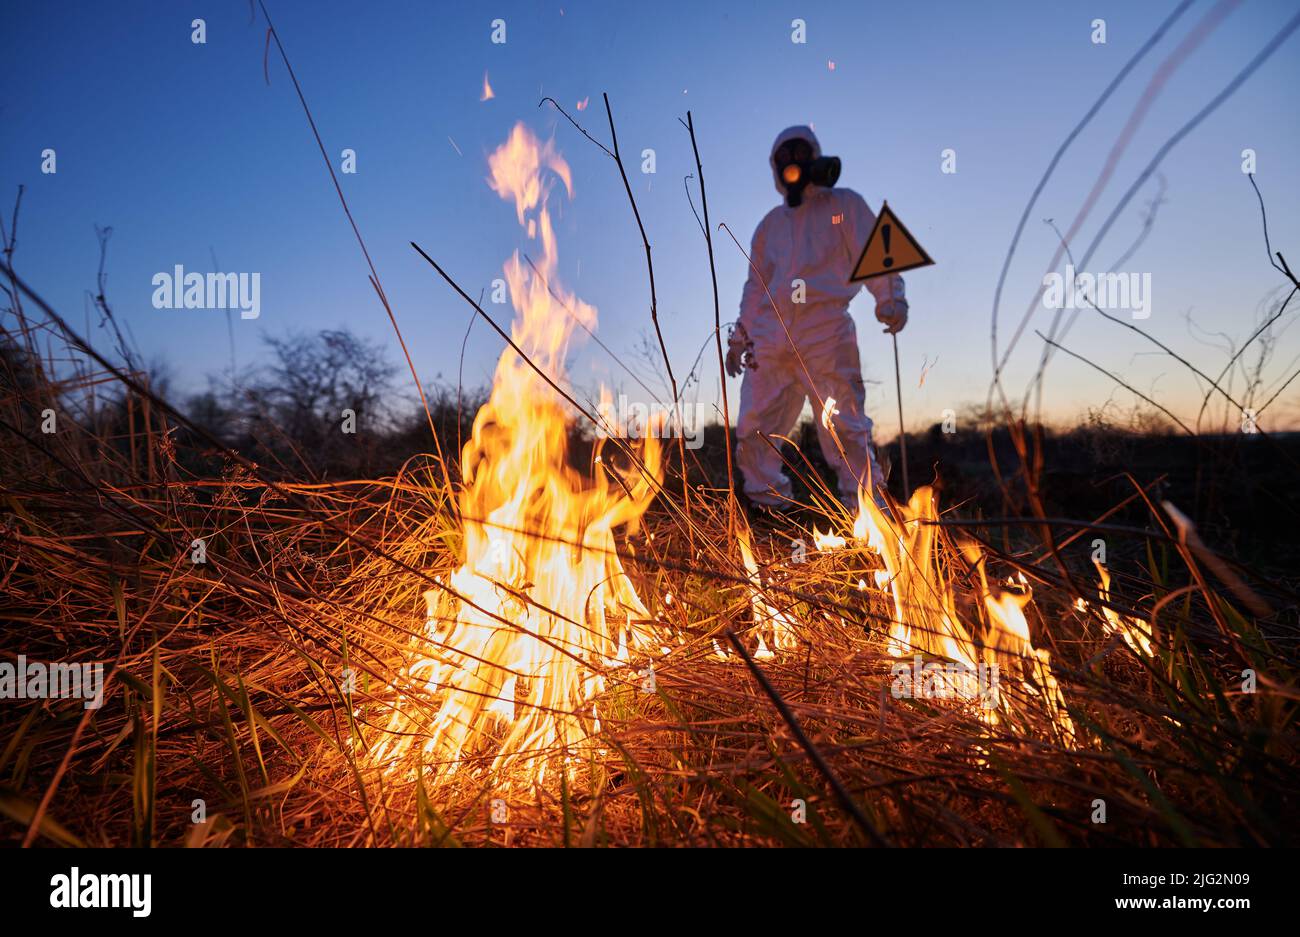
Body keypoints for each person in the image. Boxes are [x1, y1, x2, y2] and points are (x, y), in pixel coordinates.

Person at [726, 125, 907, 513]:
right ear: (775, 168)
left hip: (825, 332)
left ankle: (870, 516)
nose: (792, 163)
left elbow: (876, 251)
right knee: (754, 428)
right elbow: (755, 287)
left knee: (845, 427)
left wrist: (890, 297)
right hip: (769, 339)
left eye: (800, 152)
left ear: (814, 155)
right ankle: (770, 509)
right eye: (783, 157)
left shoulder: (844, 205)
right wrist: (740, 338)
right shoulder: (769, 225)